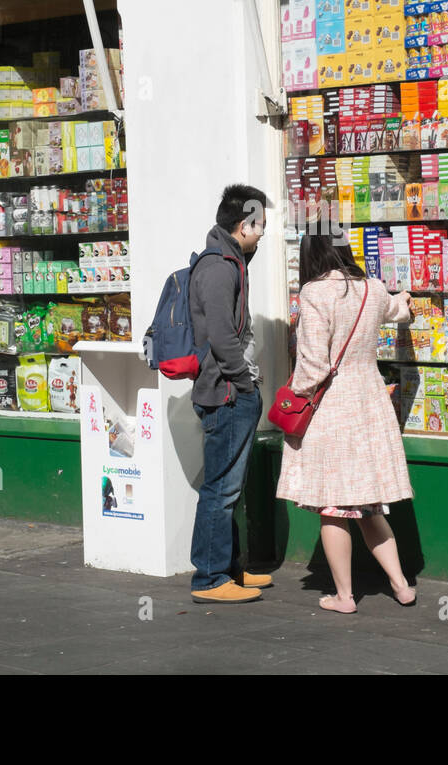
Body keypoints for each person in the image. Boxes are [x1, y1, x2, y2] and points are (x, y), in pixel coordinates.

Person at [277, 228, 417, 613]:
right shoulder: (371, 288)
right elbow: (397, 310)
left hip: (333, 408)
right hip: (370, 401)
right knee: (369, 508)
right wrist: (404, 301)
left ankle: (344, 596)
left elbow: (314, 363)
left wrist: (295, 394)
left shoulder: (314, 293)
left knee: (334, 508)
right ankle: (402, 585)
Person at [186, 184, 271, 603]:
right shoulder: (219, 267)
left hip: (228, 390)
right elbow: (221, 335)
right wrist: (244, 383)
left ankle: (229, 568)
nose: (263, 235)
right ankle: (209, 577)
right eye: (260, 227)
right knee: (220, 489)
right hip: (224, 393)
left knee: (228, 488)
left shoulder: (232, 261)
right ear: (243, 225)